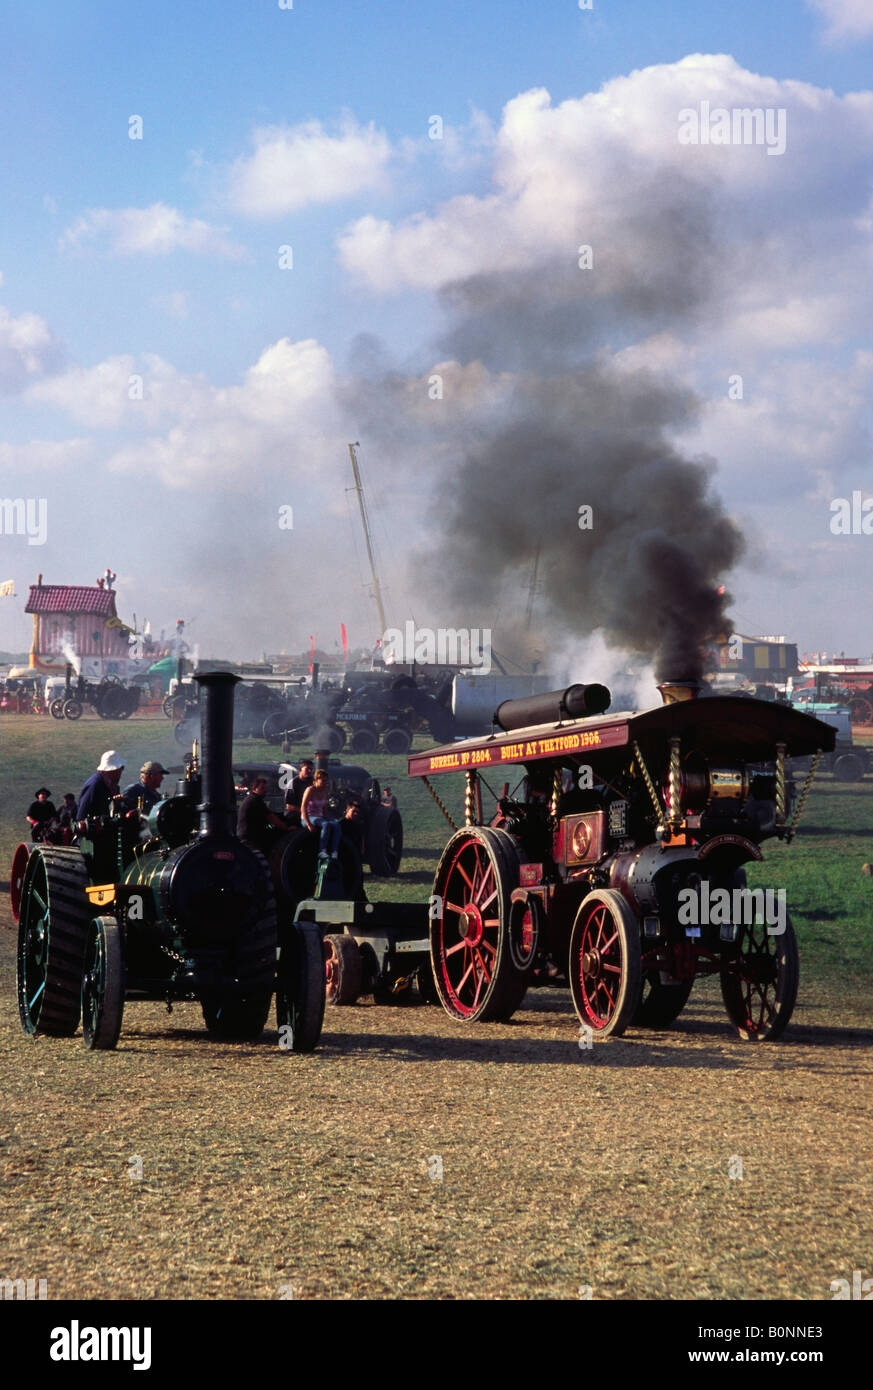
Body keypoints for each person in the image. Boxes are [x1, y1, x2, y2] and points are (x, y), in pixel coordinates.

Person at [237, 776, 288, 855]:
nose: (265, 790)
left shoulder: (251, 799)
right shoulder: (255, 801)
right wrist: (287, 828)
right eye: (262, 788)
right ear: (254, 789)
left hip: (247, 834)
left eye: (266, 788)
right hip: (251, 837)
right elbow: (272, 819)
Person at [301, 769, 341, 859]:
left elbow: (324, 807)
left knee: (336, 825)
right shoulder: (310, 790)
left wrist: (326, 817)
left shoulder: (325, 790)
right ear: (316, 780)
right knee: (326, 824)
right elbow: (303, 807)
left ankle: (334, 851)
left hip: (320, 817)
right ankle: (322, 850)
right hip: (308, 817)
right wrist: (308, 824)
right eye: (323, 780)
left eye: (326, 780)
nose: (325, 782)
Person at [77, 751, 126, 821]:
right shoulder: (94, 785)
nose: (121, 771)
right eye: (121, 768)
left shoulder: (111, 784)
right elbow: (82, 815)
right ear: (113, 770)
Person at [284, 758, 314, 826]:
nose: (309, 771)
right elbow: (289, 806)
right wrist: (304, 811)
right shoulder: (293, 784)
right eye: (307, 769)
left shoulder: (312, 782)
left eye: (311, 769)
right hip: (295, 815)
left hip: (311, 813)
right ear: (300, 769)